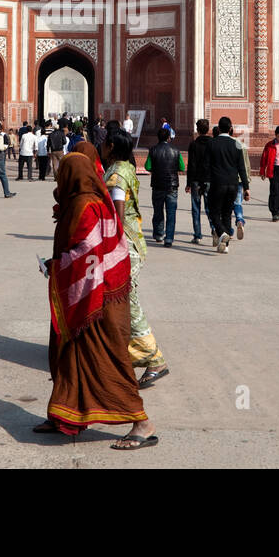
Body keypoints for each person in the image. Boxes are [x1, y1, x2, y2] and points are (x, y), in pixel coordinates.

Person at [36, 150, 157, 449]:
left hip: (94, 302)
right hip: (86, 296)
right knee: (67, 359)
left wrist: (56, 266)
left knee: (105, 361)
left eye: (60, 171)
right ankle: (64, 415)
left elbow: (87, 255)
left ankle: (142, 423)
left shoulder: (85, 206)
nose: (56, 176)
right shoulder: (89, 200)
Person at [100, 132, 168, 389]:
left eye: (105, 142)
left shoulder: (116, 174)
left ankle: (154, 359)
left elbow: (116, 211)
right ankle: (121, 352)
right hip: (133, 240)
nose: (102, 146)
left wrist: (111, 244)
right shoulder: (126, 166)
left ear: (112, 147)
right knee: (121, 299)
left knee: (128, 300)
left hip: (125, 243)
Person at [206, 117, 250, 253]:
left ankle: (222, 234)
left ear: (218, 129)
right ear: (231, 129)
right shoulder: (236, 144)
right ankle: (226, 245)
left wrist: (204, 182)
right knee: (227, 213)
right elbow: (241, 167)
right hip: (233, 184)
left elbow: (207, 165)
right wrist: (246, 188)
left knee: (214, 212)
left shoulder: (212, 143)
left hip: (217, 183)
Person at [145, 127, 186, 246]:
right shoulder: (176, 150)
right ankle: (169, 239)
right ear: (169, 138)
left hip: (157, 185)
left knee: (158, 211)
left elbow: (147, 167)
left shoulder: (153, 150)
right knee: (171, 213)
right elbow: (182, 167)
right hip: (172, 186)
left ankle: (158, 234)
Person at [183, 118, 210, 245]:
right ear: (208, 129)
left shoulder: (193, 144)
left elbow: (191, 165)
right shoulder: (213, 143)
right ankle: (214, 229)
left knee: (196, 207)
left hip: (196, 180)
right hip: (209, 179)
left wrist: (188, 183)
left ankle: (197, 235)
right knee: (210, 207)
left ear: (197, 130)